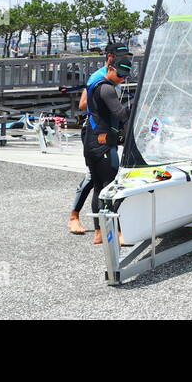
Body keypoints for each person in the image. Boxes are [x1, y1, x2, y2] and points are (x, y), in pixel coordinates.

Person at [83, 47, 133, 245]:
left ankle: (98, 234)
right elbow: (120, 113)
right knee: (109, 187)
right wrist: (138, 107)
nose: (122, 78)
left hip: (92, 141)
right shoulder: (106, 88)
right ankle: (117, 233)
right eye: (119, 74)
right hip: (101, 145)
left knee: (98, 187)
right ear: (110, 68)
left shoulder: (100, 85)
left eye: (125, 76)